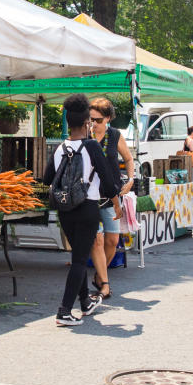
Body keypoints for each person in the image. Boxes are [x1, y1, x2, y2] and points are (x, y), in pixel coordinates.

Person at [43, 94, 121, 326]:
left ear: (68, 123)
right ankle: (64, 311)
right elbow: (108, 182)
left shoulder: (59, 148)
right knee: (79, 260)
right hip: (87, 207)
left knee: (78, 253)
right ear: (87, 123)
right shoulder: (92, 147)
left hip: (65, 209)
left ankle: (85, 301)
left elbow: (48, 177)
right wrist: (116, 199)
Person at [88, 97, 132, 300]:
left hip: (111, 194)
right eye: (91, 119)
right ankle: (104, 283)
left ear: (107, 118)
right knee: (96, 239)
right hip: (88, 195)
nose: (93, 123)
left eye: (97, 120)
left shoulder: (115, 135)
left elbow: (129, 158)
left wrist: (131, 179)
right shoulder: (83, 135)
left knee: (112, 240)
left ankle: (100, 274)